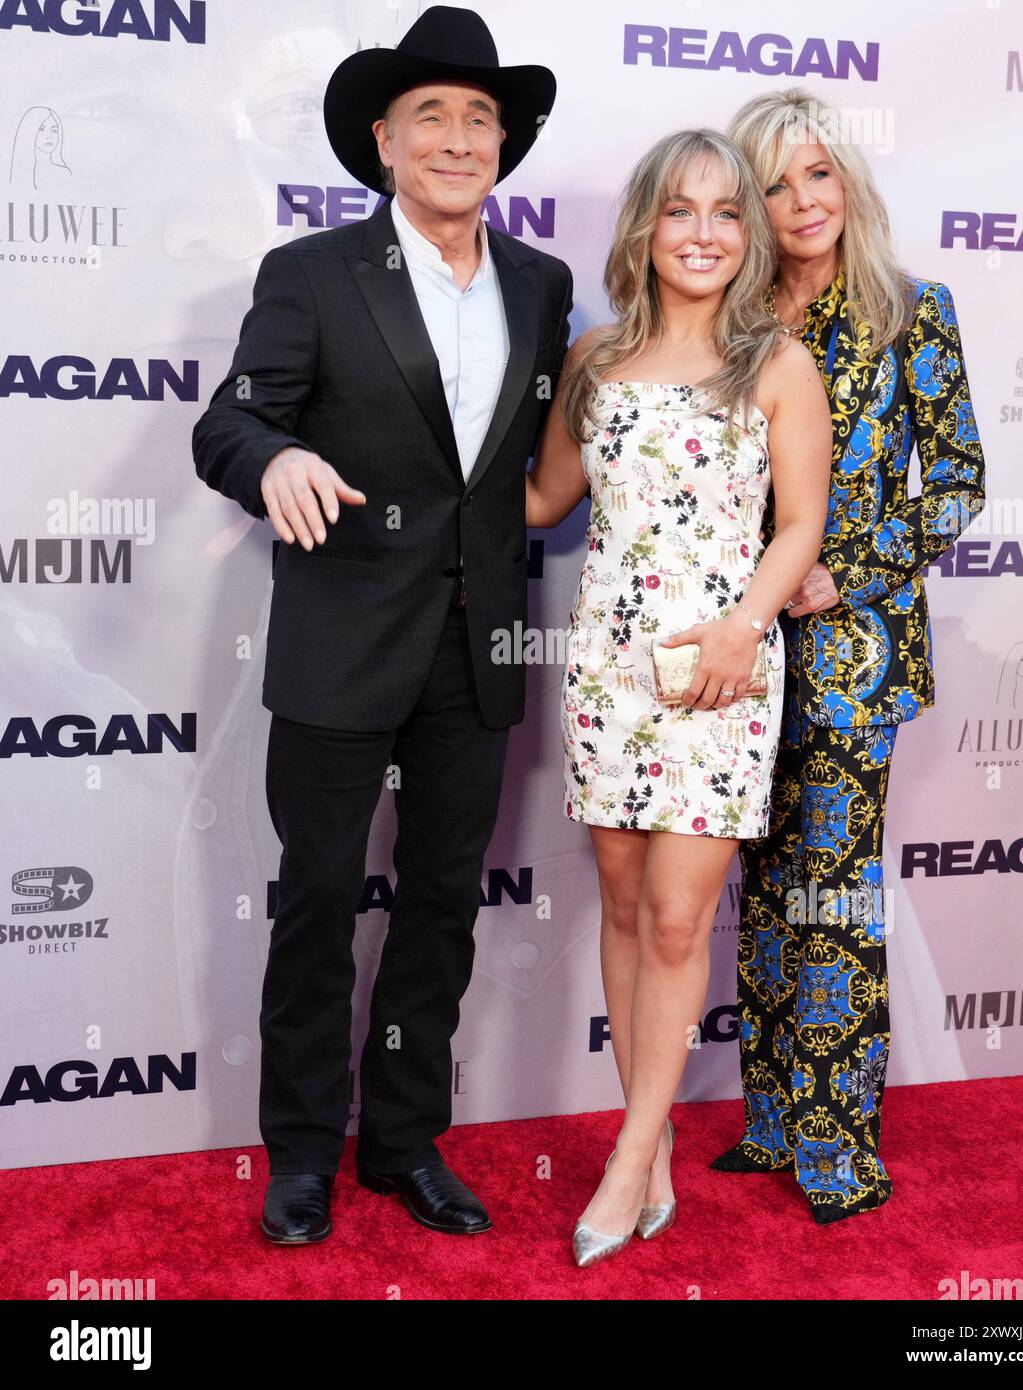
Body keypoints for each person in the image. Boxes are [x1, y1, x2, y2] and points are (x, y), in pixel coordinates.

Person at [192, 5, 572, 1244]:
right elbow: (229, 420)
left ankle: (403, 1141)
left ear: (502, 144)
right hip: (341, 641)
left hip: (477, 650)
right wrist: (274, 457)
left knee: (441, 904)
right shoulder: (310, 273)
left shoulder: (542, 284)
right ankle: (303, 1150)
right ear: (383, 140)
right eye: (431, 117)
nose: (458, 139)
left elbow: (528, 462)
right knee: (315, 902)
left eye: (479, 119)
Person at [526, 129, 832, 1266]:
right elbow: (542, 501)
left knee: (673, 919)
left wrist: (745, 627)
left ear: (747, 235)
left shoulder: (775, 363)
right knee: (619, 905)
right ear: (645, 227)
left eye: (725, 213)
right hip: (609, 670)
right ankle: (649, 1139)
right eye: (678, 210)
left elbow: (800, 524)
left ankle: (626, 1154)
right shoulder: (595, 358)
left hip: (721, 669)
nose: (702, 234)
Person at [710, 88, 986, 1222]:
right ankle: (772, 1120)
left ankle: (836, 1146)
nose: (800, 200)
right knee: (764, 889)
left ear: (846, 180)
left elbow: (958, 482)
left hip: (850, 654)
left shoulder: (910, 309)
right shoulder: (729, 321)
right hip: (738, 647)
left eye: (816, 173)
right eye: (774, 183)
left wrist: (851, 565)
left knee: (831, 895)